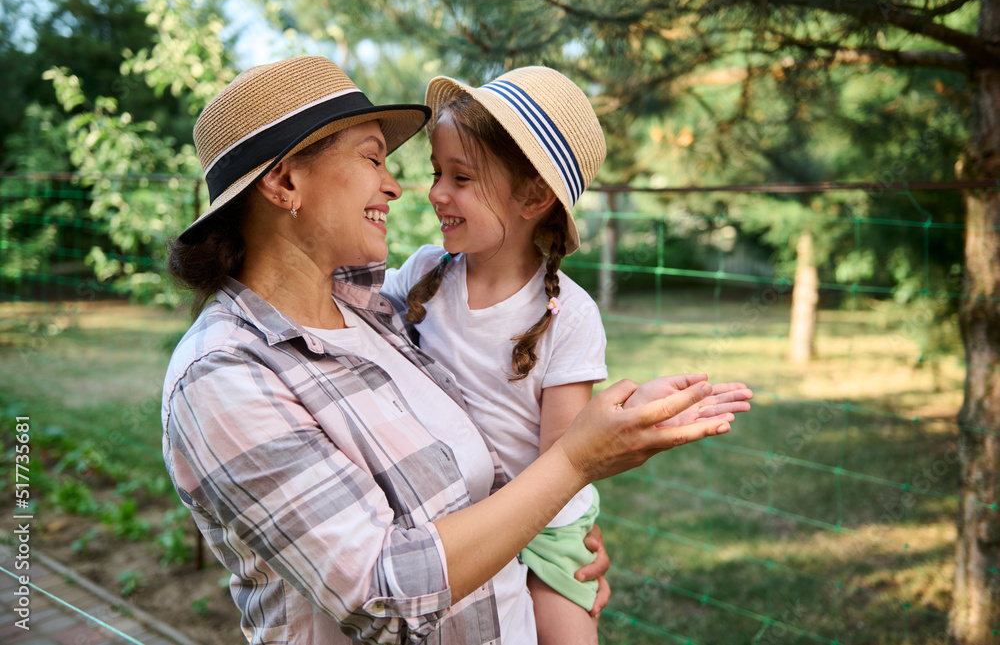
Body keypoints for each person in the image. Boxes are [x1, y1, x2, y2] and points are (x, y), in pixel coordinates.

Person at [161, 54, 749, 645]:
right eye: (372, 159)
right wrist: (575, 464)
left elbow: (493, 467)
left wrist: (555, 540)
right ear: (286, 182)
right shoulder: (224, 375)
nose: (397, 185)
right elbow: (379, 595)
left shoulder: (379, 314)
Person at [381, 67, 751, 645]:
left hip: (546, 523)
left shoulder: (568, 316)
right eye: (436, 173)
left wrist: (632, 422)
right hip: (455, 514)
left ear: (533, 196)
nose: (435, 193)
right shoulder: (424, 273)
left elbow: (564, 453)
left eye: (462, 177)